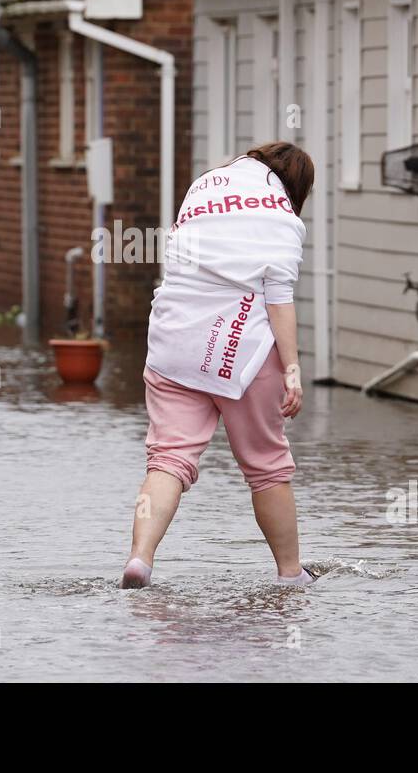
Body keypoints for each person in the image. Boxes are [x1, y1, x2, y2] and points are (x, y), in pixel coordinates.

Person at [120, 141, 316, 589]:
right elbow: (278, 299)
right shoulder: (281, 218)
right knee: (268, 468)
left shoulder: (202, 190)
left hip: (173, 344)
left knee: (167, 460)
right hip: (240, 352)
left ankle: (139, 559)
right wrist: (292, 371)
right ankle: (290, 574)